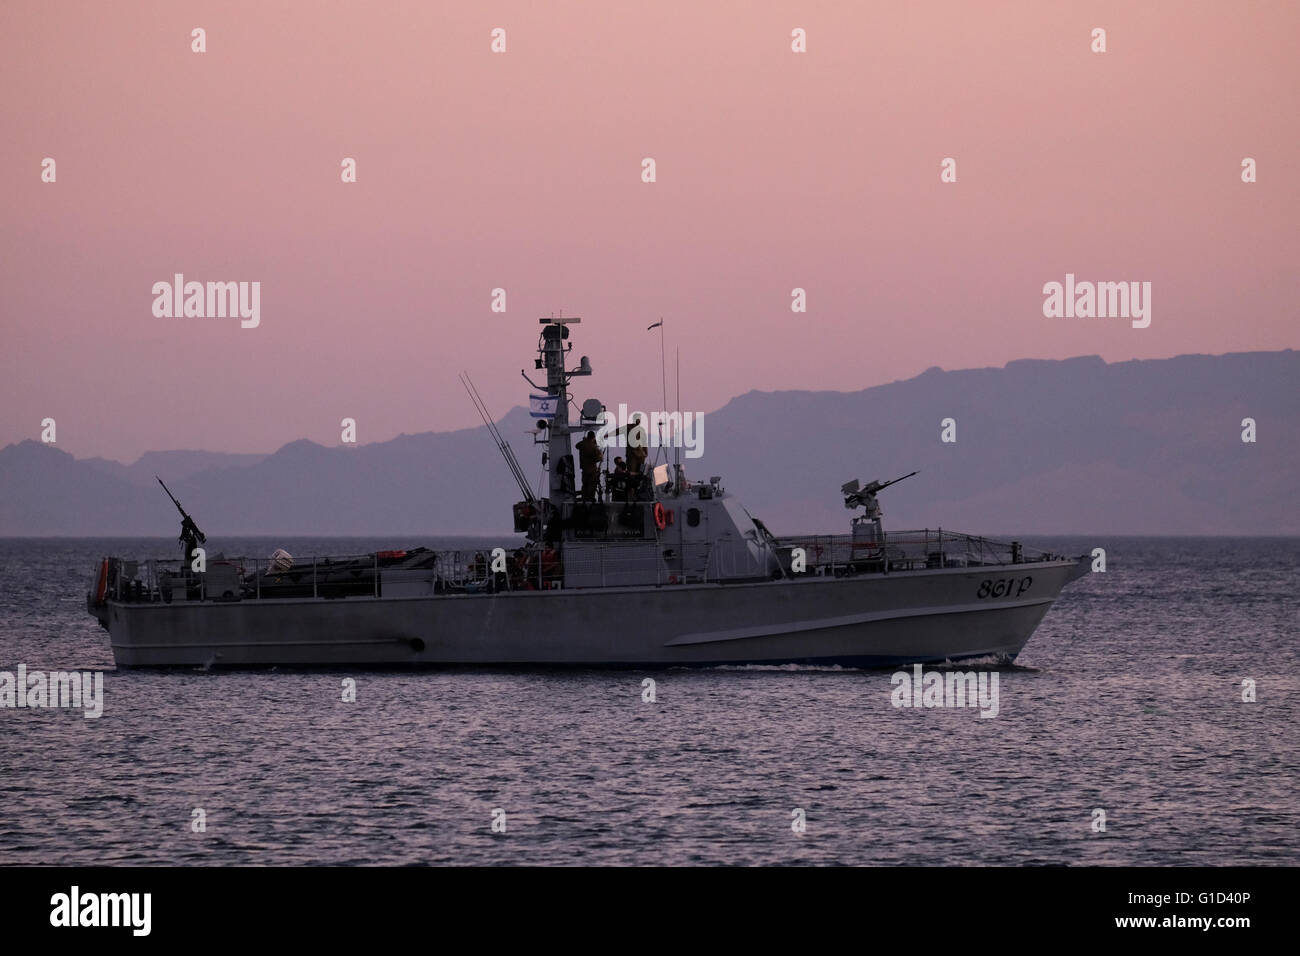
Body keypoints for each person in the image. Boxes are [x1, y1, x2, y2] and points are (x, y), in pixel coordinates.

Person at [576, 430, 603, 503]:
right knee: (592, 486)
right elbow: (598, 459)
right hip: (592, 470)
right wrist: (600, 452)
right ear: (594, 437)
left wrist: (585, 440)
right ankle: (590, 501)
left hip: (584, 469)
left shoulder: (582, 444)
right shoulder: (594, 447)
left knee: (584, 485)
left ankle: (584, 499)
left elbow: (577, 446)